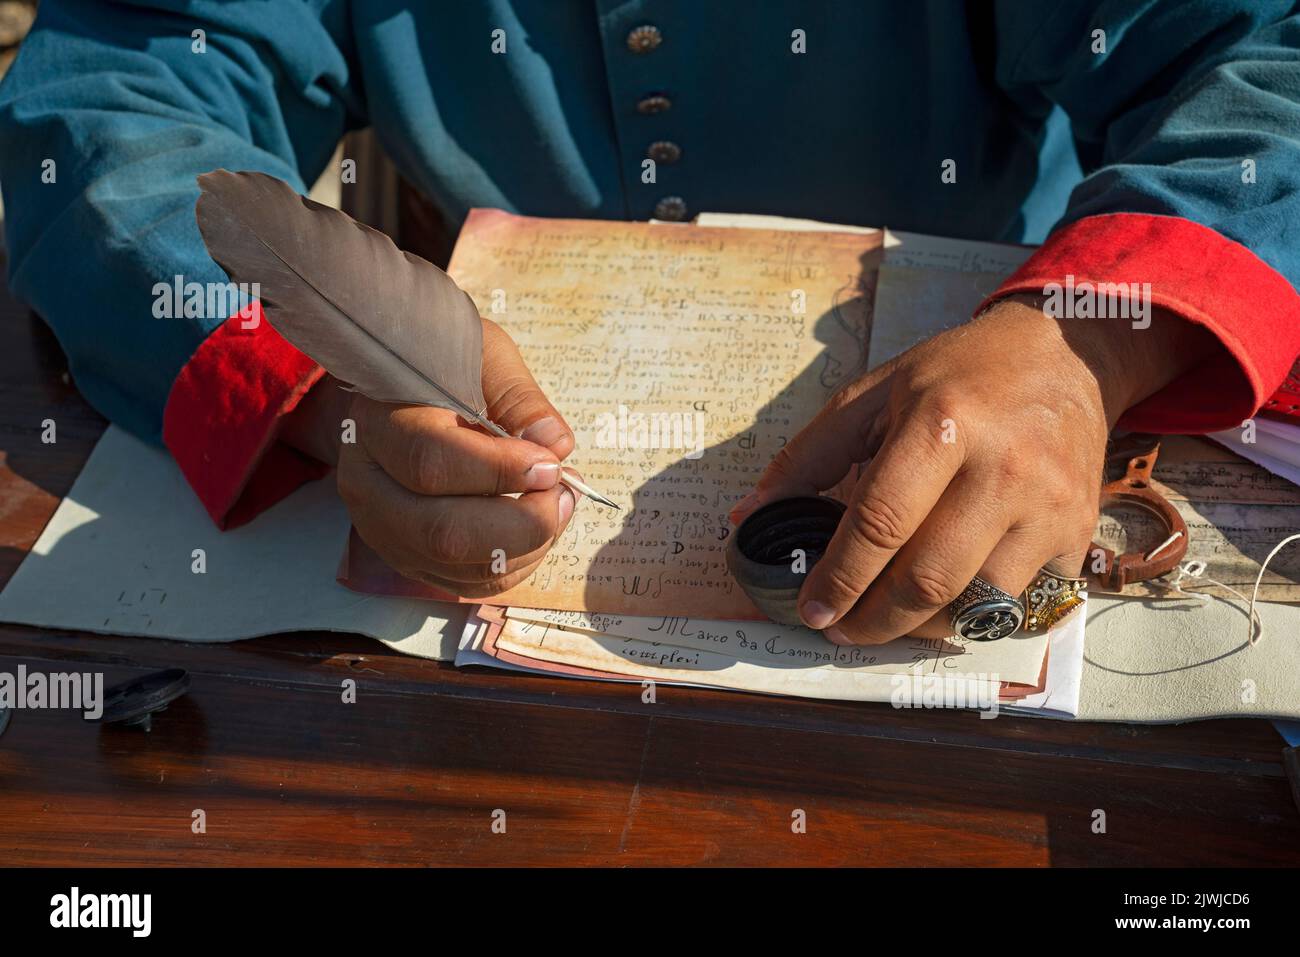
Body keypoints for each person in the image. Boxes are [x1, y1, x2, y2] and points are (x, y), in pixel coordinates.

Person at [2, 1, 1298, 645]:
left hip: (1023, 377)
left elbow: (1254, 53)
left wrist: (1088, 341)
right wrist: (324, 384)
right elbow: (118, 84)